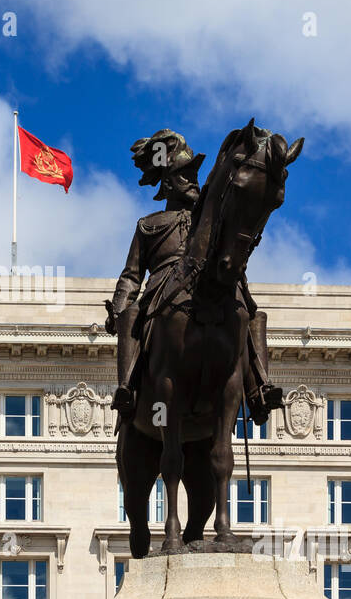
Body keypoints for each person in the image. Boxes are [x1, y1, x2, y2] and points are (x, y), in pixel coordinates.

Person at [105, 128, 281, 424]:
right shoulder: (149, 225)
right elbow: (131, 275)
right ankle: (128, 388)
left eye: (195, 174)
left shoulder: (209, 221)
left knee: (250, 315)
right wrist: (119, 308)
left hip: (208, 283)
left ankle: (259, 389)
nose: (193, 180)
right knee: (132, 314)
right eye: (184, 175)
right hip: (161, 290)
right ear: (168, 183)